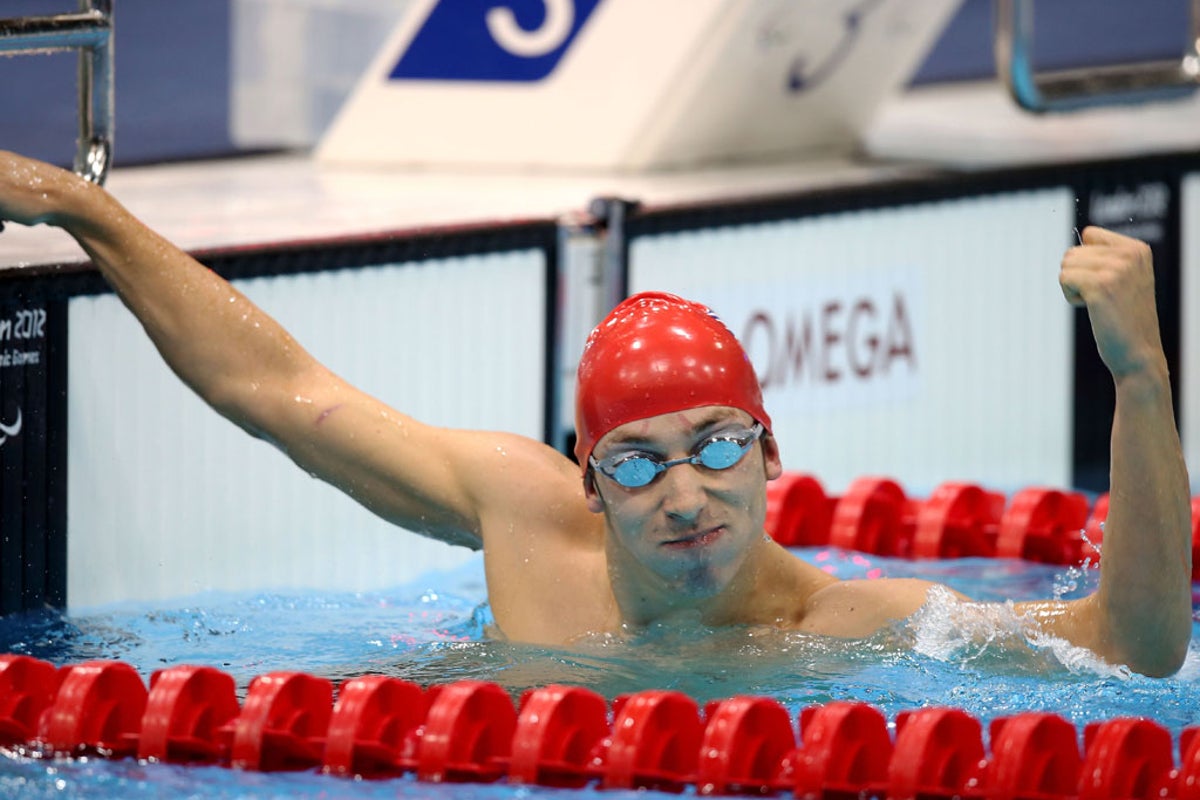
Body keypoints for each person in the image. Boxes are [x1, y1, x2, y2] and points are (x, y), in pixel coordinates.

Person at [0, 150, 1190, 677]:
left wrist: (1141, 378)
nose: (685, 493)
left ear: (773, 451)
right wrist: (81, 211)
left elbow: (1132, 650)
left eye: (721, 446)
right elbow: (277, 394)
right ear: (584, 479)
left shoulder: (855, 624)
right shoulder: (520, 517)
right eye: (637, 464)